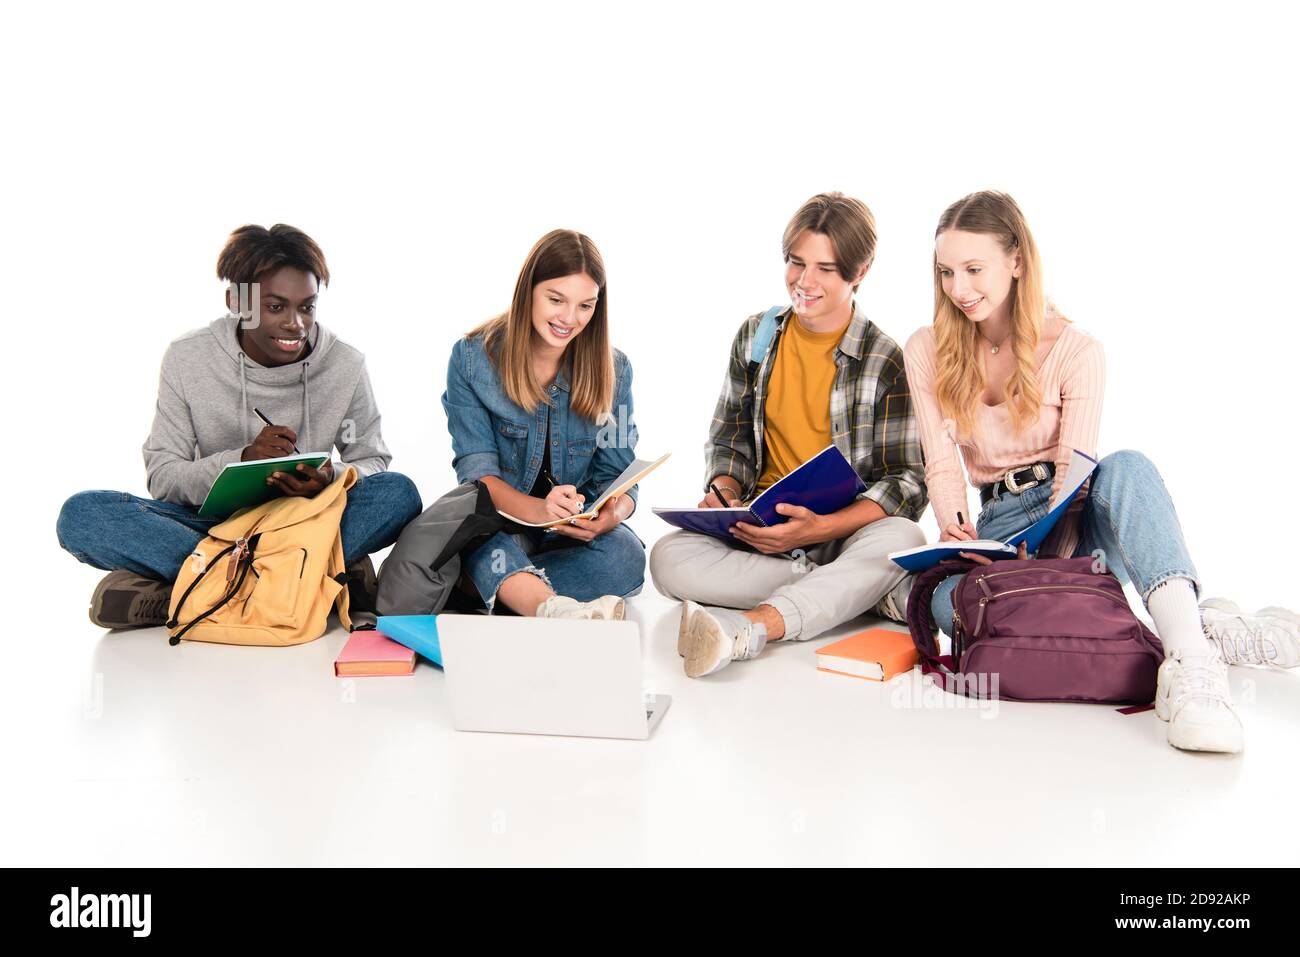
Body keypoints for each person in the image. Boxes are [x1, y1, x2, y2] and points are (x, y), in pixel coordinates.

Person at [903, 190, 1300, 755]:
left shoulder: (1076, 349)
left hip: (1073, 523)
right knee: (944, 601)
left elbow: (1076, 472)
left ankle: (1190, 664)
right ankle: (1200, 630)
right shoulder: (928, 348)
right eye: (946, 272)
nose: (959, 289)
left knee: (1127, 467)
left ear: (1016, 262)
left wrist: (1052, 556)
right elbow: (940, 462)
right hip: (997, 529)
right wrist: (958, 533)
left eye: (973, 269)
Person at [57, 224, 423, 627]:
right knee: (82, 515)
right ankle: (307, 578)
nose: (296, 325)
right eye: (276, 307)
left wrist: (332, 477)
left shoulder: (345, 364)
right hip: (212, 528)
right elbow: (164, 476)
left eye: (307, 307)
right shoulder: (188, 358)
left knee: (398, 494)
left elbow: (371, 461)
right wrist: (242, 459)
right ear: (237, 301)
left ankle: (198, 588)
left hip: (304, 523)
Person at [649, 192, 928, 678]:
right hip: (761, 533)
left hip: (842, 534)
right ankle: (850, 591)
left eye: (825, 268)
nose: (805, 281)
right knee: (667, 558)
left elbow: (907, 481)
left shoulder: (884, 359)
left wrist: (821, 528)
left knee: (904, 535)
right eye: (797, 263)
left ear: (859, 272)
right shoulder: (756, 335)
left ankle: (762, 623)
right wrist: (725, 490)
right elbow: (730, 438)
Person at [441, 229, 645, 619]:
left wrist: (610, 517)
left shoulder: (615, 370)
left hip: (568, 538)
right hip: (501, 526)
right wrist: (542, 511)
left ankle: (509, 591)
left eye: (586, 306)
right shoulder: (472, 359)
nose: (569, 319)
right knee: (483, 547)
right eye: (556, 300)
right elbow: (477, 474)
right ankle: (550, 608)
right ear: (528, 292)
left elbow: (620, 473)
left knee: (625, 555)